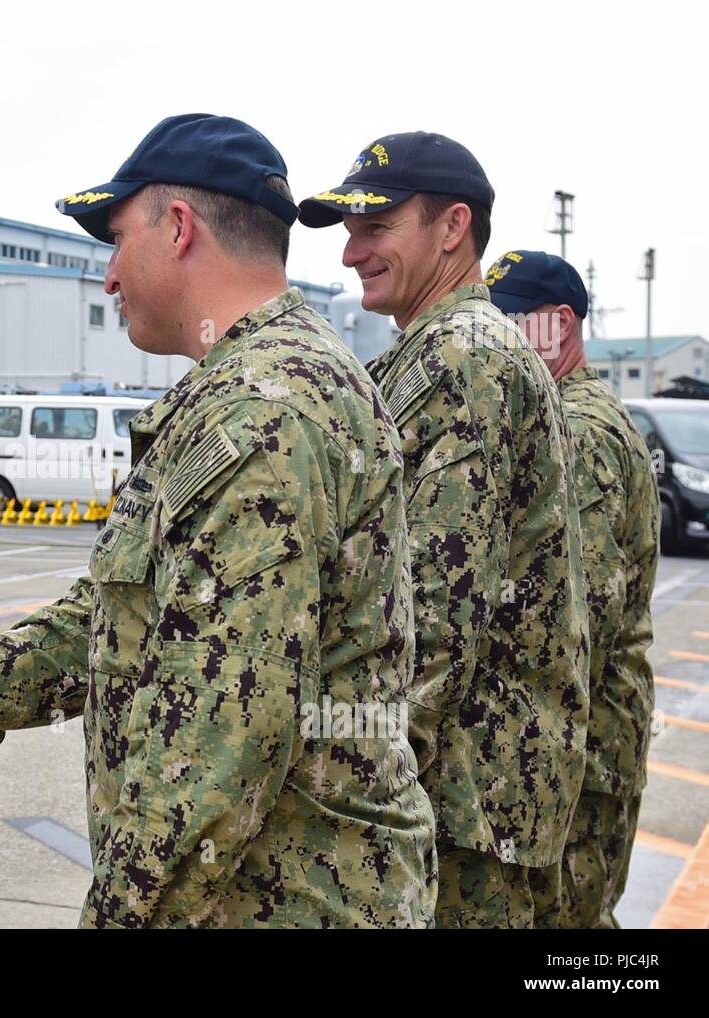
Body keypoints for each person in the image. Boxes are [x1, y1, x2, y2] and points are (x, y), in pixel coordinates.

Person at [0, 114, 437, 928]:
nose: (108, 276)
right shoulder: (251, 388)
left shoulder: (263, 413)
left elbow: (220, 743)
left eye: (116, 239)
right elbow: (130, 615)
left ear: (177, 229)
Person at [299, 133, 589, 928]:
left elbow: (429, 614)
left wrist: (339, 787)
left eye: (376, 228)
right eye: (349, 232)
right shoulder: (443, 350)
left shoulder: (462, 358)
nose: (353, 253)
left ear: (453, 226)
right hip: (474, 789)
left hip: (466, 801)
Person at [487, 250, 659, 927]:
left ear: (560, 324)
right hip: (579, 745)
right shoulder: (561, 413)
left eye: (509, 326)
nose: (495, 345)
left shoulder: (578, 433)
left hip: (583, 756)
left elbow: (571, 620)